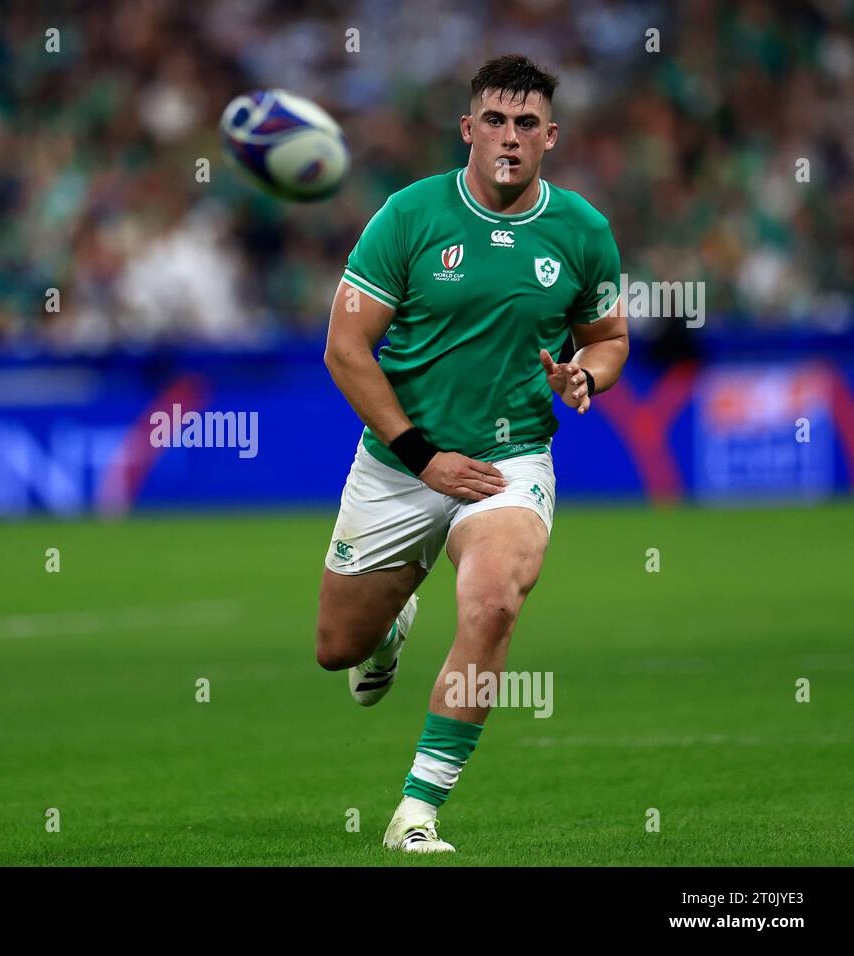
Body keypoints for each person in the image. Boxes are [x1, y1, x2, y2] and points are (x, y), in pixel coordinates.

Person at [317, 56, 630, 853]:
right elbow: (347, 349)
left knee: (493, 600)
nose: (510, 136)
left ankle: (416, 812)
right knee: (337, 649)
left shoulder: (583, 231)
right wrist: (423, 458)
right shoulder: (408, 215)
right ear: (468, 128)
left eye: (527, 124)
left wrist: (586, 378)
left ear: (550, 137)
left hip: (510, 462)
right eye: (495, 119)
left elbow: (609, 337)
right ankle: (389, 627)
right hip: (401, 463)